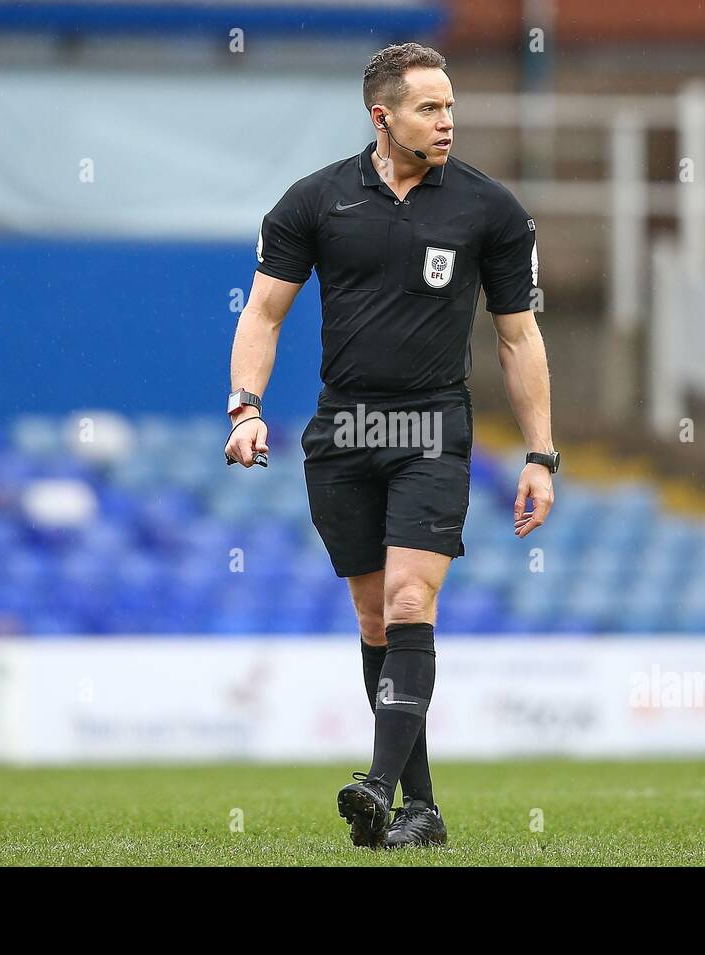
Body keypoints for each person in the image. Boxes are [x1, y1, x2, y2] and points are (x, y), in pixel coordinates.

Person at [225, 42, 558, 849]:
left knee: (413, 600)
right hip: (342, 430)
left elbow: (518, 339)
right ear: (384, 116)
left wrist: (541, 455)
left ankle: (376, 783)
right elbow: (263, 315)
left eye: (450, 107)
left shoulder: (491, 210)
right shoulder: (313, 202)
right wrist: (245, 409)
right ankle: (422, 811)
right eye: (430, 108)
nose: (448, 121)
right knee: (376, 619)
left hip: (431, 428)